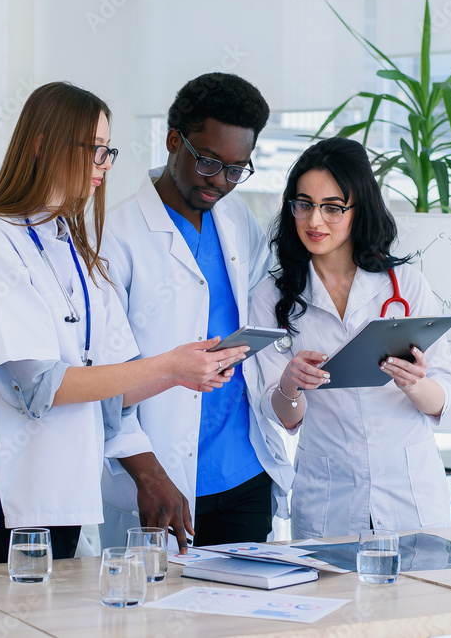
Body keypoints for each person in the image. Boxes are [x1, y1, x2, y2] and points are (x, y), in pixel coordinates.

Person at [0, 82, 246, 565]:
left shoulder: (70, 246)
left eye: (108, 151)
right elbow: (35, 386)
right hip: (10, 494)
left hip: (66, 491)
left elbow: (113, 387)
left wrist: (188, 370)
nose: (105, 165)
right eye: (95, 151)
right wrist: (168, 367)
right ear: (43, 146)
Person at [99, 73, 293, 549]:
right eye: (208, 162)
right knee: (157, 620)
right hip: (157, 480)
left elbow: (261, 317)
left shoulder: (235, 217)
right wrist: (145, 471)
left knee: (243, 620)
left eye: (236, 169)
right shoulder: (114, 234)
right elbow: (102, 374)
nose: (220, 182)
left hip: (244, 471)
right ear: (173, 141)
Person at [250, 137, 451, 539]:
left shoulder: (406, 285)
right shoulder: (272, 299)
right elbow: (283, 416)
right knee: (332, 600)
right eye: (304, 204)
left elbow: (444, 394)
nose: (314, 221)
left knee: (416, 599)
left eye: (332, 208)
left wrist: (413, 383)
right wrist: (290, 384)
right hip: (329, 496)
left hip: (409, 494)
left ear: (357, 209)